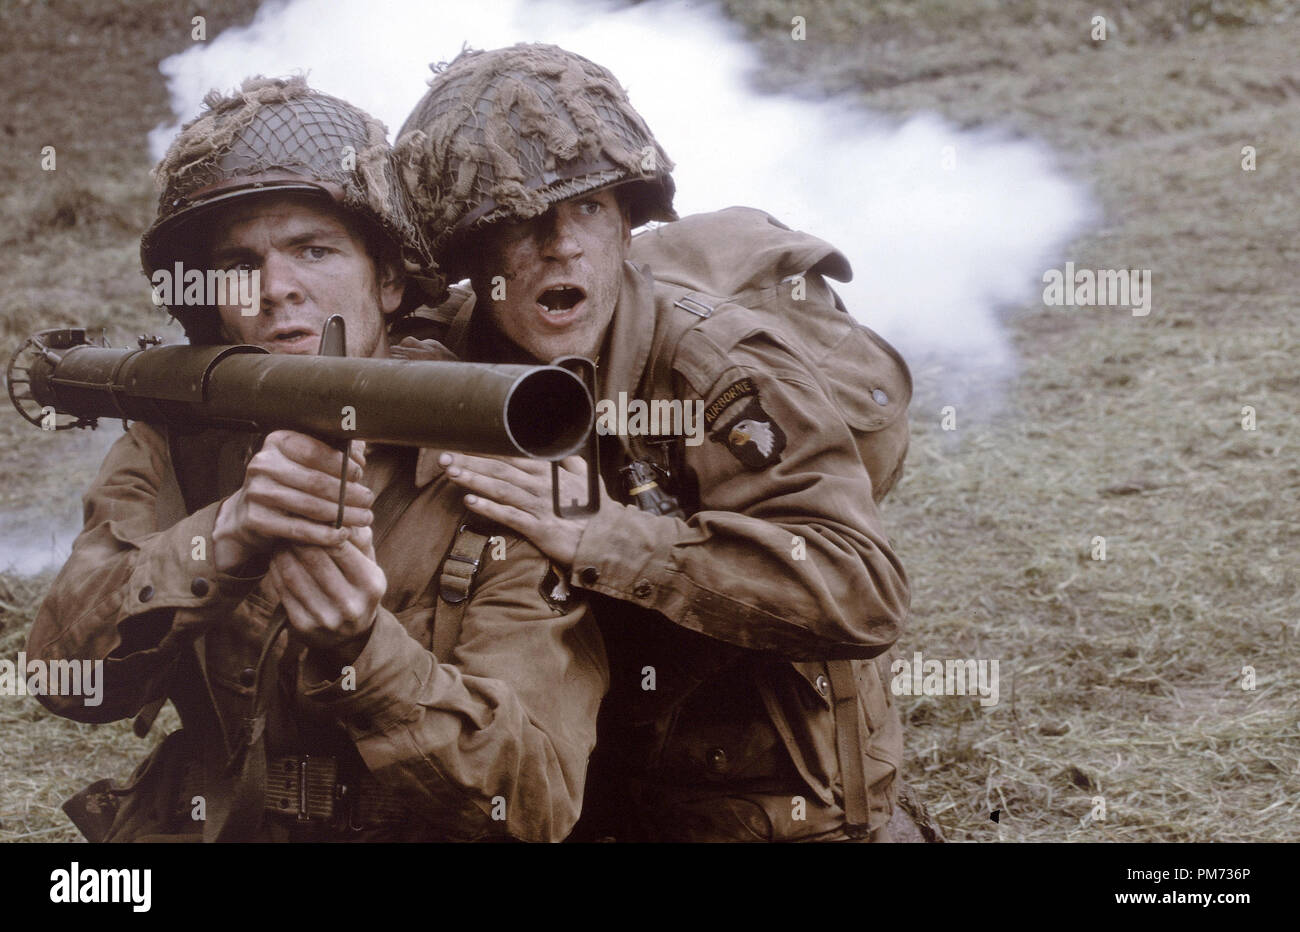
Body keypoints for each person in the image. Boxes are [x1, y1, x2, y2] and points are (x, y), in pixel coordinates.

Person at [25, 76, 607, 843]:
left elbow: (534, 800)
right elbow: (66, 681)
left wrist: (363, 652)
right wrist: (223, 536)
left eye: (314, 250)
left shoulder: (499, 452)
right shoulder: (176, 435)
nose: (276, 290)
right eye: (239, 262)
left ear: (390, 278)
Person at [394, 44, 913, 841]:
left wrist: (606, 536)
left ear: (629, 223)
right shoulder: (444, 363)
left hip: (764, 792)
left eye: (591, 210)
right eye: (521, 221)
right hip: (571, 774)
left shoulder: (716, 367)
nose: (562, 245)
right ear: (467, 251)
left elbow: (862, 588)